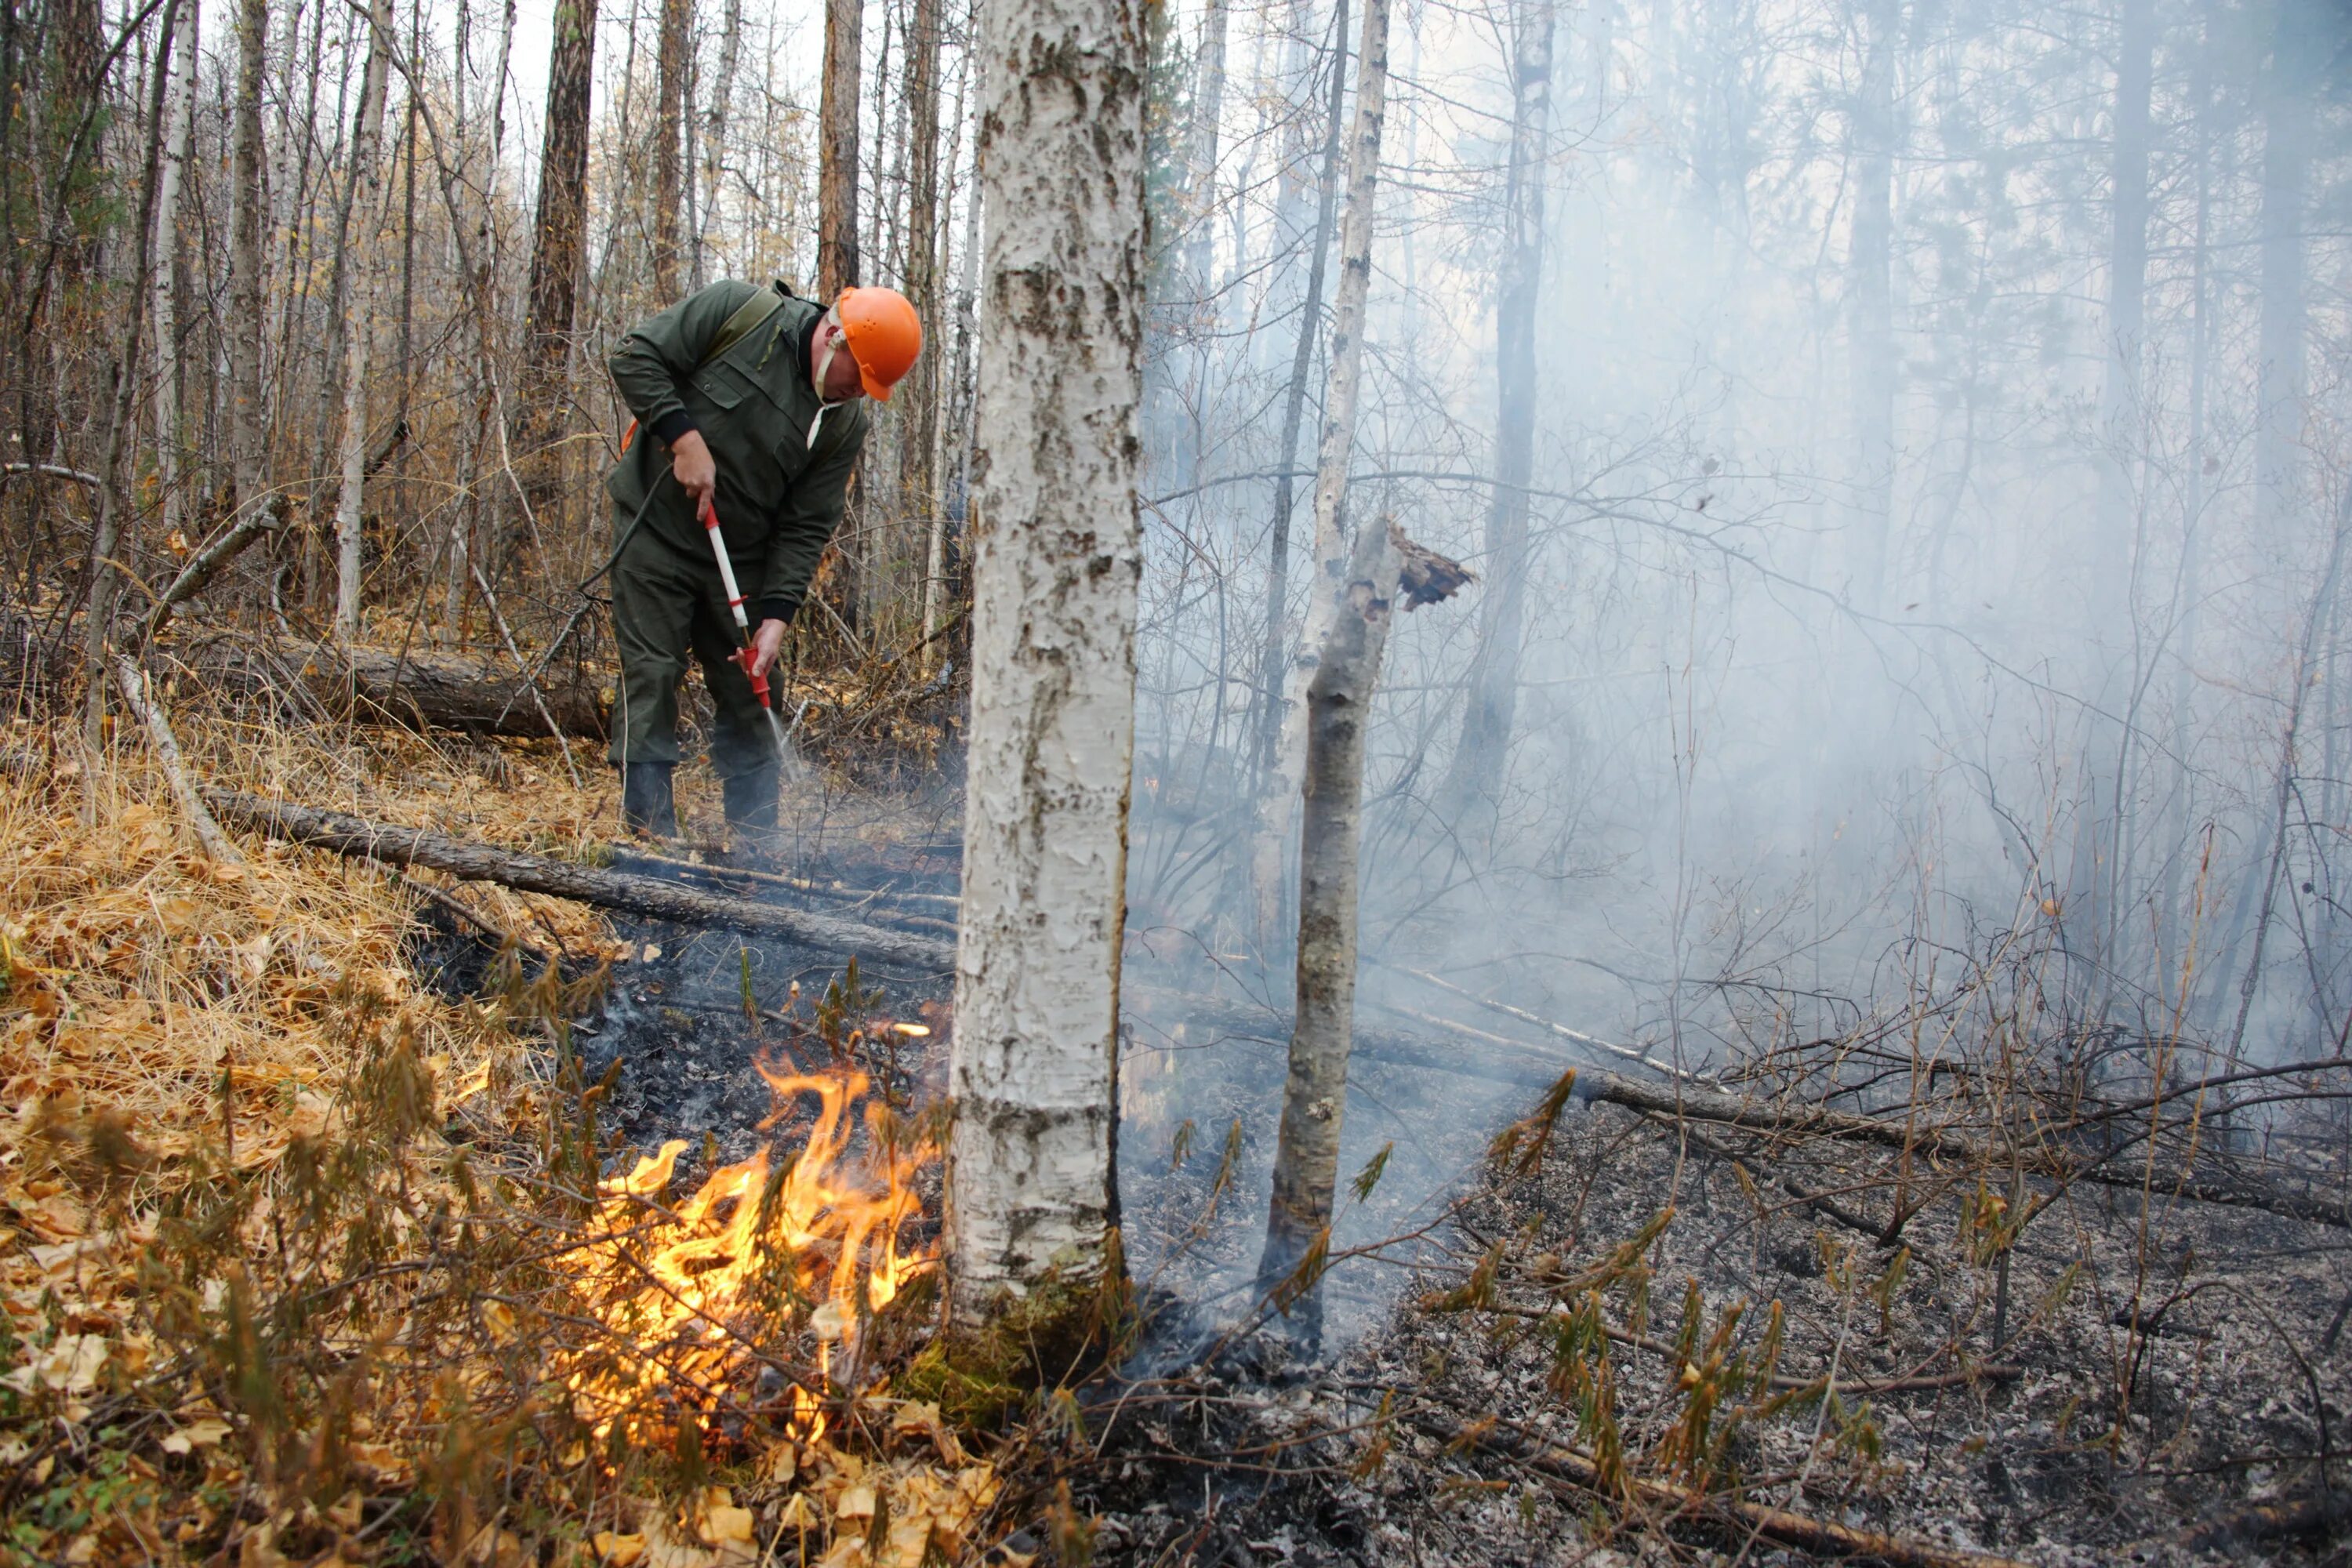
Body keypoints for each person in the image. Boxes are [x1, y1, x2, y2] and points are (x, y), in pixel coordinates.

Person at [604, 279, 920, 840]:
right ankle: (651, 840)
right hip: (656, 530)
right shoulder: (740, 313)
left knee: (755, 692)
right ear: (834, 336)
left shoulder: (845, 421)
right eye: (861, 376)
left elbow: (807, 523)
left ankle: (756, 849)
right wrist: (684, 440)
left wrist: (776, 616)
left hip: (741, 556)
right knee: (653, 674)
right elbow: (635, 356)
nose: (860, 393)